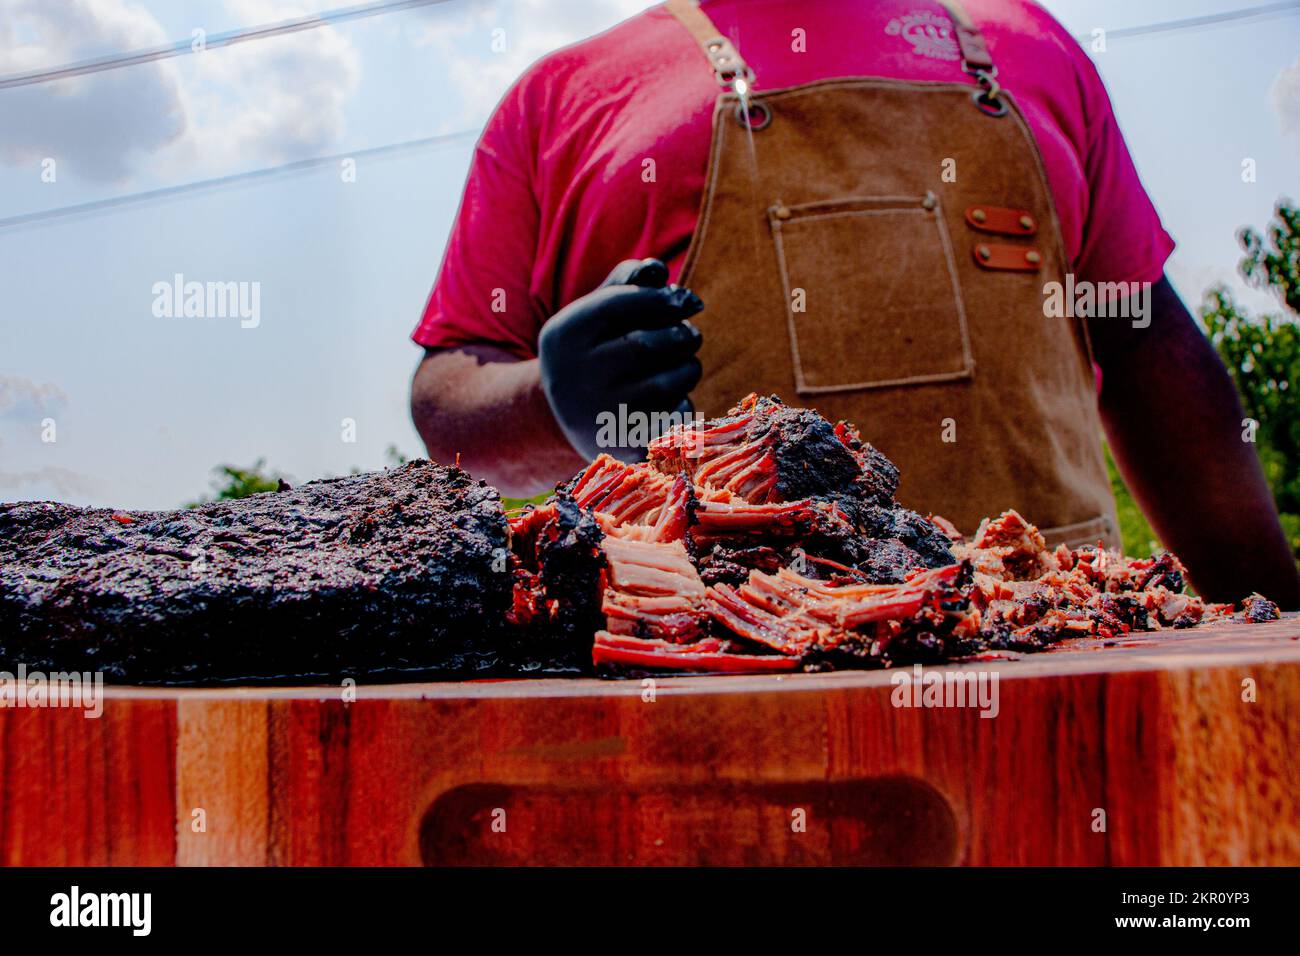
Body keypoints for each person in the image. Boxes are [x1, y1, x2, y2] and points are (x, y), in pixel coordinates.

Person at [409, 0, 1300, 606]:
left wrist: (1281, 634)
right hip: (712, 696)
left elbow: (1151, 359)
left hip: (1062, 669)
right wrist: (548, 404)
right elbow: (450, 395)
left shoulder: (1029, 46)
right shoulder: (562, 101)